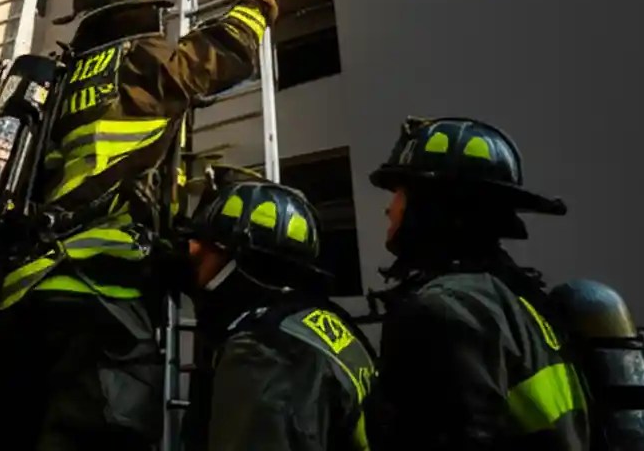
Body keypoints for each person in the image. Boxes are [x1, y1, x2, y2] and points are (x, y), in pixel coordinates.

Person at [0, 0, 279, 450]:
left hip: (18, 297)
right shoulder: (146, 60)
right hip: (104, 296)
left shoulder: (53, 82)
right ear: (145, 8)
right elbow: (222, 54)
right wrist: (253, 8)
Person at [365, 116, 589, 450]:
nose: (389, 208)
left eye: (400, 193)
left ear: (432, 206)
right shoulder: (516, 297)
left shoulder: (441, 313)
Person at [181, 164, 376, 451]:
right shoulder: (326, 325)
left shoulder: (264, 350)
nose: (192, 251)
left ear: (240, 258)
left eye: (207, 244)